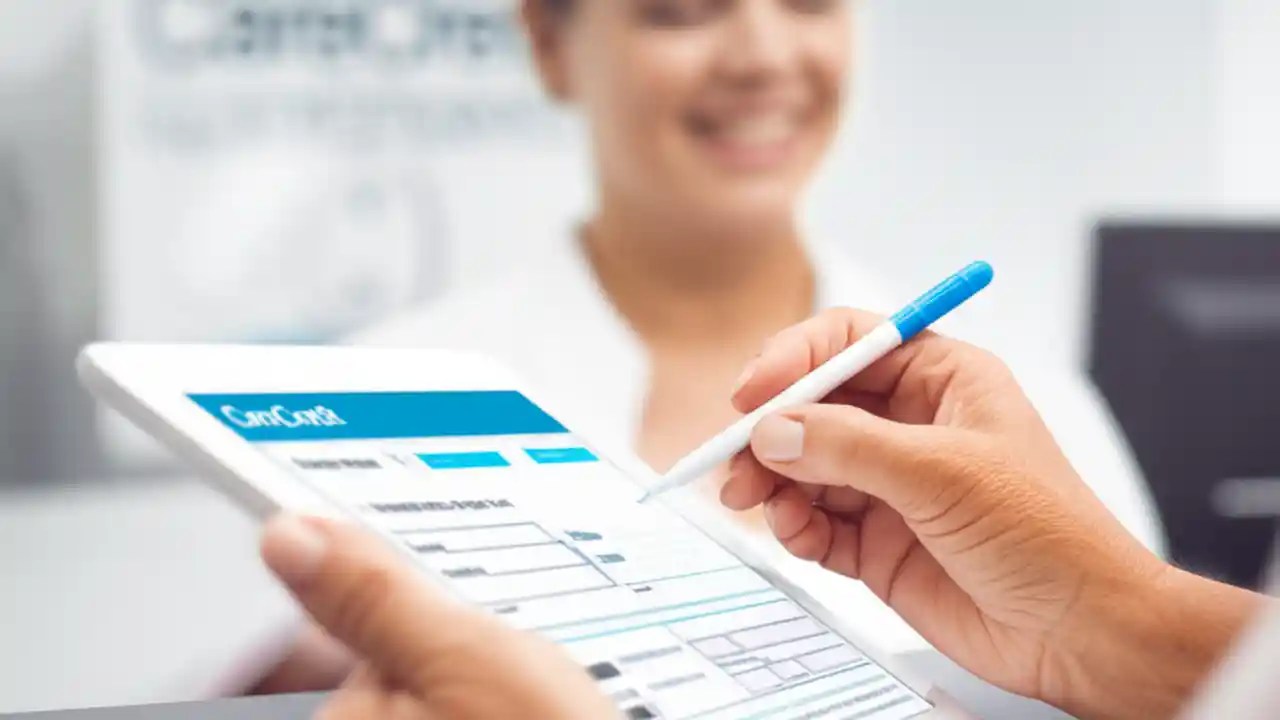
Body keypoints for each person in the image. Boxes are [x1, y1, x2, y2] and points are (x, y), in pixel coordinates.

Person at [232, 0, 1163, 693]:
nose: (763, 54)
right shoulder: (375, 390)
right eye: (682, 8)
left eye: (807, 1)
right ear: (551, 44)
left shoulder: (1019, 407)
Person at [260, 310, 1266, 720]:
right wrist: (1104, 624)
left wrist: (1107, 620)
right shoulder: (434, 342)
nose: (758, 52)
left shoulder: (1034, 393)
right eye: (678, 10)